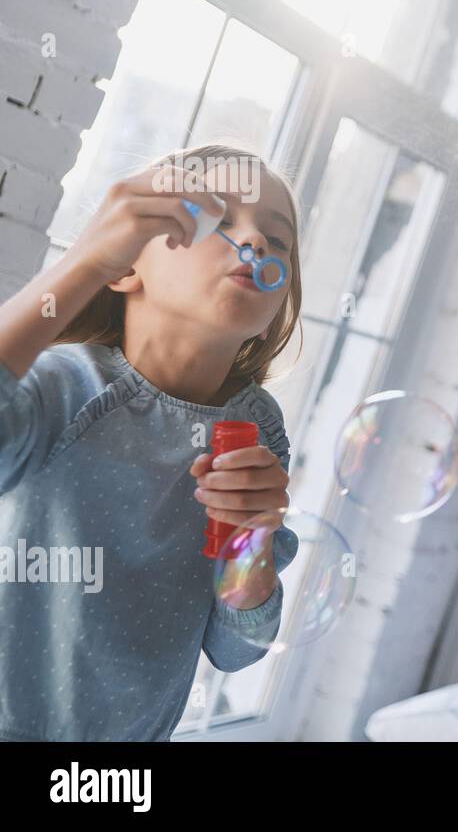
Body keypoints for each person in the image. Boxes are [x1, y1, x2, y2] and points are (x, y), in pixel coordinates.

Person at [0, 144, 304, 740]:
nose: (258, 243)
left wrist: (253, 543)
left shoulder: (256, 427)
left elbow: (236, 649)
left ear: (274, 307)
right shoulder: (64, 387)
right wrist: (84, 260)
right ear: (125, 266)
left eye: (280, 239)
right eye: (216, 218)